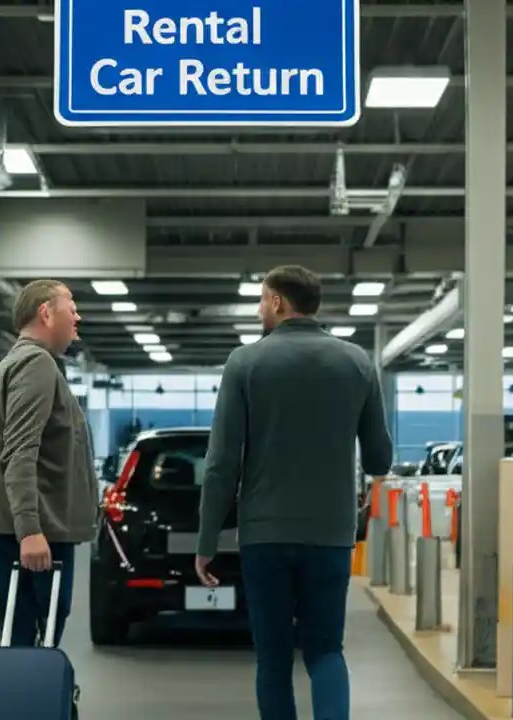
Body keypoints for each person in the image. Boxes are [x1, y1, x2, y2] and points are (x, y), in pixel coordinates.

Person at [195, 265, 394, 720]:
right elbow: (380, 457)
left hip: (264, 535)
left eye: (262, 300)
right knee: (326, 651)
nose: (260, 308)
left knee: (273, 659)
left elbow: (221, 464)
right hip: (330, 535)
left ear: (278, 303)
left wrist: (207, 541)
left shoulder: (244, 362)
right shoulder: (357, 362)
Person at [0, 279, 99, 647]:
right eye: (71, 306)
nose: (78, 316)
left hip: (21, 527)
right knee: (31, 643)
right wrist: (29, 529)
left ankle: (28, 704)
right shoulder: (36, 365)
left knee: (20, 636)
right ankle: (29, 705)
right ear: (46, 312)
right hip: (36, 532)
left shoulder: (11, 365)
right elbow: (20, 450)